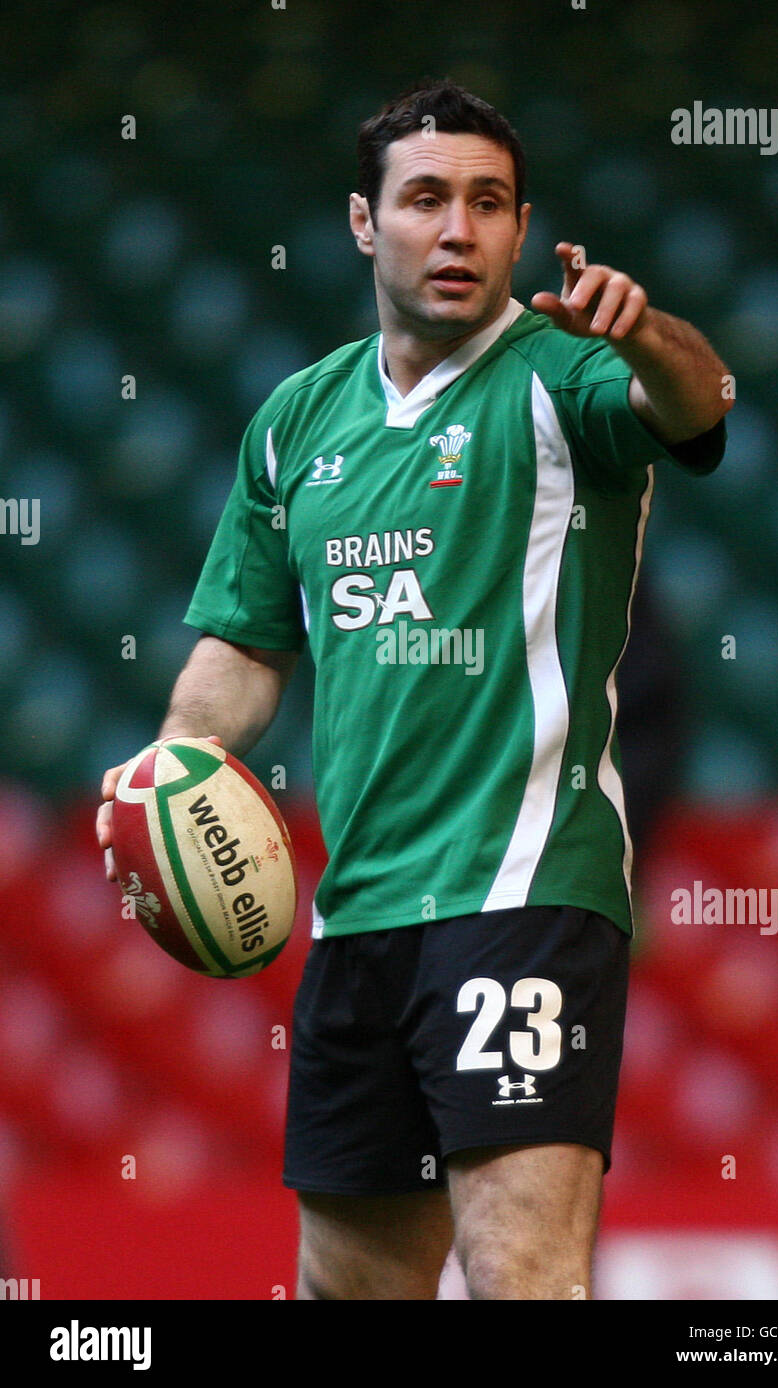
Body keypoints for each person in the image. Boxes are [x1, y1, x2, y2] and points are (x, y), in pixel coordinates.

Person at [97, 80, 731, 1300]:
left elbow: (696, 407)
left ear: (521, 224)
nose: (458, 230)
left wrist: (645, 332)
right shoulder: (297, 421)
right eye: (427, 198)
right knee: (350, 1289)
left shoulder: (566, 376)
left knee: (522, 1273)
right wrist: (167, 764)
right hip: (360, 915)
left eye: (488, 204)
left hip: (525, 889)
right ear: (361, 220)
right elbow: (244, 654)